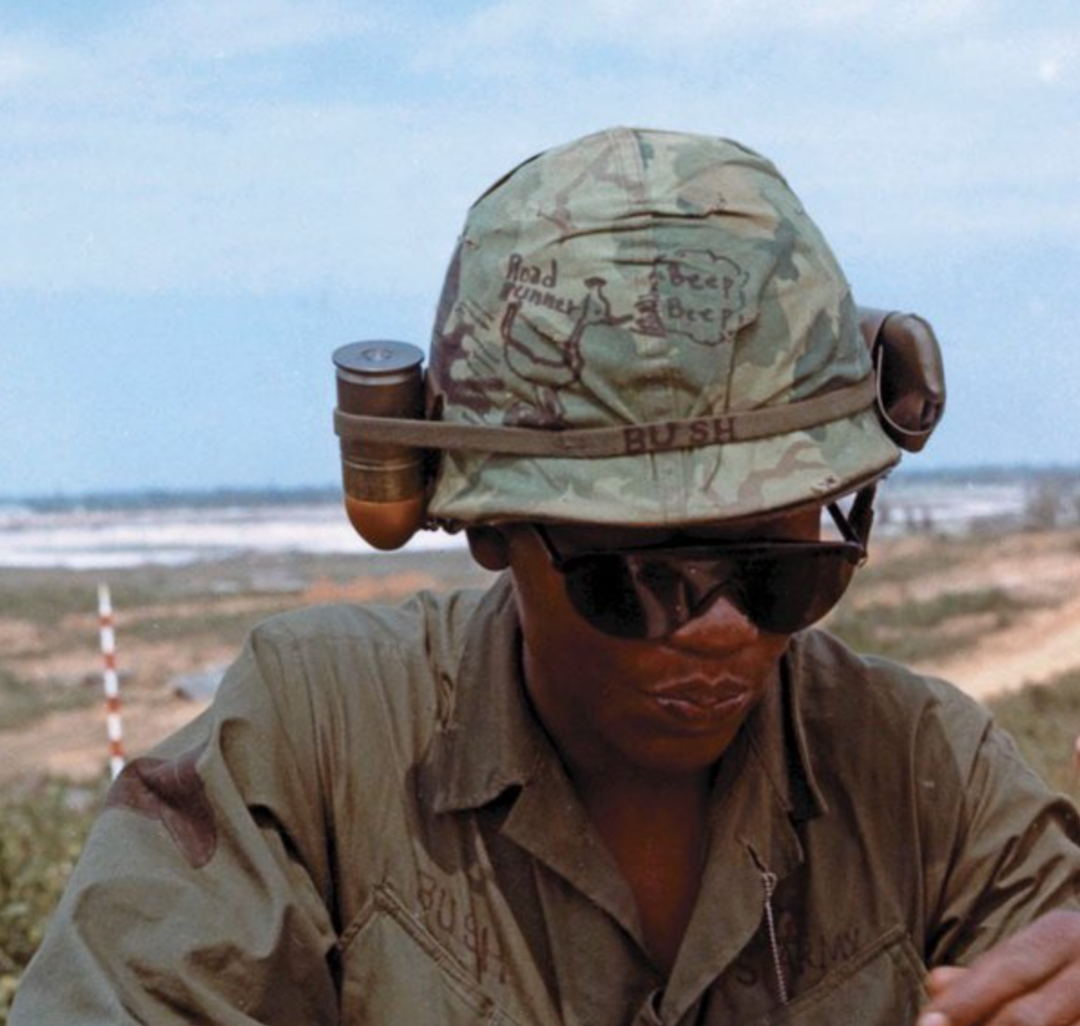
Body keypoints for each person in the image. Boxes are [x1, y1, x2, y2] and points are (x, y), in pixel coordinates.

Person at [12, 127, 1080, 1025]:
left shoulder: (923, 774)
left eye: (780, 575)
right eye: (640, 581)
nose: (720, 632)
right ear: (494, 530)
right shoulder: (316, 746)